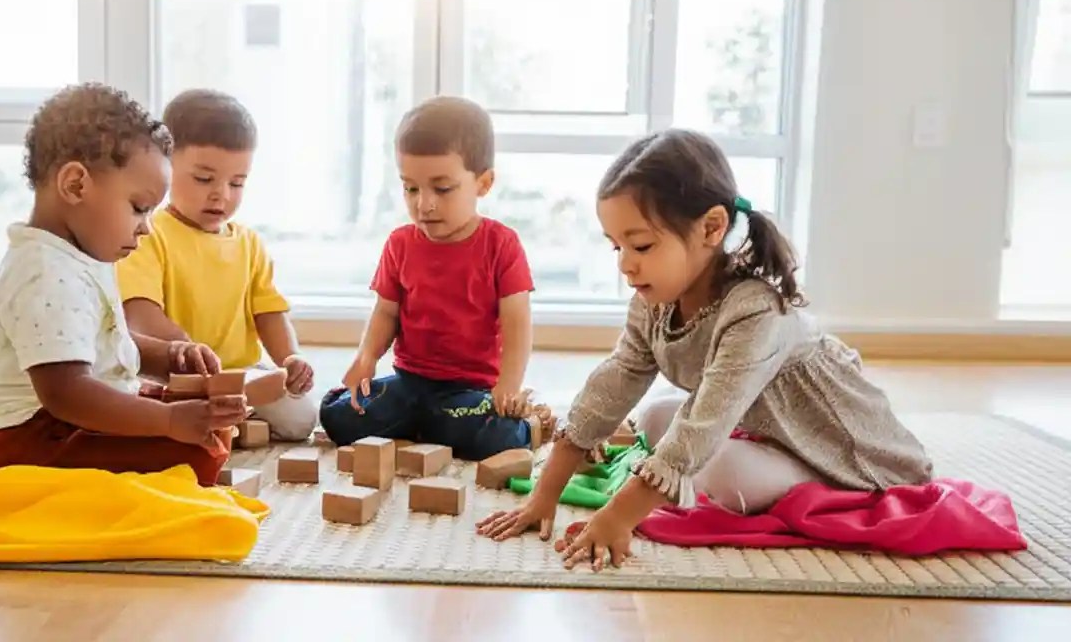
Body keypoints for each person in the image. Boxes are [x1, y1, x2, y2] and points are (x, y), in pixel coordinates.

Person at [477, 128, 933, 570]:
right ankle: (743, 462)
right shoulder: (653, 301)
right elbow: (614, 383)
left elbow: (703, 423)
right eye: (616, 246)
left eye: (640, 245)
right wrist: (545, 492)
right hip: (765, 429)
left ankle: (819, 487)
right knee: (656, 418)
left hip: (839, 455)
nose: (625, 265)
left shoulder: (755, 311)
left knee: (713, 469)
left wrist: (618, 518)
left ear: (712, 227)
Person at [0, 82, 246, 487]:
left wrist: (170, 356)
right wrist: (166, 420)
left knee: (204, 421)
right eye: (139, 208)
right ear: (76, 185)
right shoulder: (44, 273)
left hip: (65, 416)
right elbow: (67, 393)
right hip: (27, 438)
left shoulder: (85, 251)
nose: (146, 228)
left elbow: (105, 339)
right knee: (193, 453)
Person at [318, 96, 552, 460]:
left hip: (468, 390)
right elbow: (386, 313)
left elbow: (517, 323)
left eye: (442, 189)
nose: (423, 204)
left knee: (495, 437)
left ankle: (527, 422)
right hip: (410, 382)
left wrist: (509, 385)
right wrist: (366, 358)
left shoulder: (502, 245)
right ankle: (425, 425)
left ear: (483, 183)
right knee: (337, 417)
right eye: (411, 188)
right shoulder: (399, 243)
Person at [117, 90, 317, 441]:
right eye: (204, 179)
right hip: (178, 375)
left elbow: (269, 314)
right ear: (165, 165)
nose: (221, 194)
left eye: (237, 183)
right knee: (137, 406)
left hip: (242, 373)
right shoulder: (148, 233)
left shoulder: (249, 243)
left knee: (302, 418)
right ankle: (222, 425)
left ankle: (227, 422)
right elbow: (141, 314)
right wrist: (189, 355)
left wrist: (290, 359)